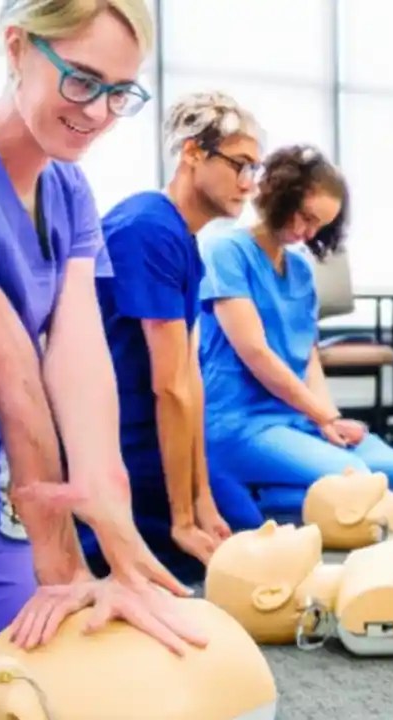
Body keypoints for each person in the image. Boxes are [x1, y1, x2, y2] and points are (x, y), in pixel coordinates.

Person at [0, 0, 202, 713]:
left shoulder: (69, 188)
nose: (99, 112)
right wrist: (63, 560)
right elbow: (11, 365)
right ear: (16, 47)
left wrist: (119, 535)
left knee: (48, 673)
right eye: (83, 80)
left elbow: (79, 363)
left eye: (120, 92)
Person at [85, 92, 264, 584]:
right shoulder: (146, 229)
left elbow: (188, 378)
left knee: (238, 525)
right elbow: (169, 387)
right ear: (191, 154)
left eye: (256, 170)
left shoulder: (184, 240)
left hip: (149, 423)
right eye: (239, 165)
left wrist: (202, 497)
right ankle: (90, 539)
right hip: (110, 436)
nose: (249, 185)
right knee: (227, 552)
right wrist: (181, 520)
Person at [199, 145, 393, 527]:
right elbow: (255, 352)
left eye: (319, 226)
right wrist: (321, 414)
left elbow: (309, 355)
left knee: (390, 470)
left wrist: (330, 421)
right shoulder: (225, 249)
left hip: (292, 417)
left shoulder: (299, 267)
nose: (307, 232)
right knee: (360, 482)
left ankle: (262, 493)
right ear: (279, 194)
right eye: (305, 216)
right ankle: (242, 493)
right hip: (237, 422)